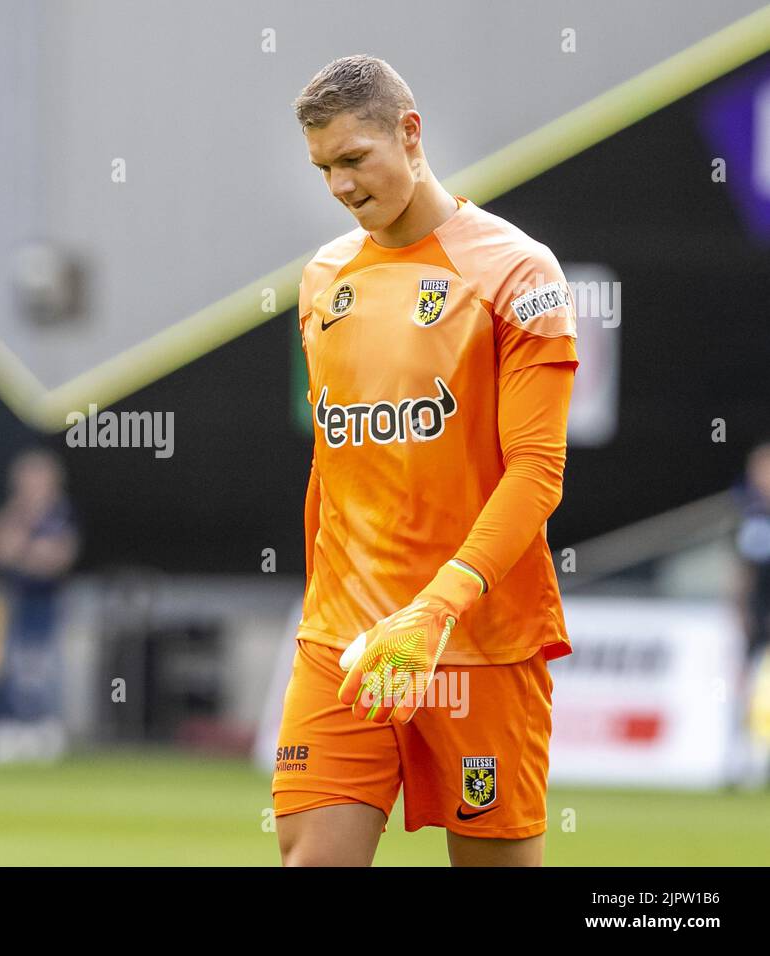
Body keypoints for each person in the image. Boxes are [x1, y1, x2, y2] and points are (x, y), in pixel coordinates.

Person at [273, 56, 578, 867]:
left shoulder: (518, 272)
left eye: (353, 159)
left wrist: (433, 611)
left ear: (410, 134)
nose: (339, 185)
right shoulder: (322, 280)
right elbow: (330, 467)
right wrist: (316, 609)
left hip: (477, 641)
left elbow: (536, 473)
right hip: (347, 643)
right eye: (323, 168)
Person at [0, 448, 79, 764]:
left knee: (41, 666)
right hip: (15, 599)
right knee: (10, 663)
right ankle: (10, 725)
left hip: (44, 602)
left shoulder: (59, 513)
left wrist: (21, 551)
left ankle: (42, 727)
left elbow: (53, 559)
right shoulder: (16, 511)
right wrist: (18, 533)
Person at [731, 441, 770, 787]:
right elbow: (742, 573)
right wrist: (740, 611)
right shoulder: (748, 513)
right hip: (758, 617)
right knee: (748, 689)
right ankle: (742, 763)